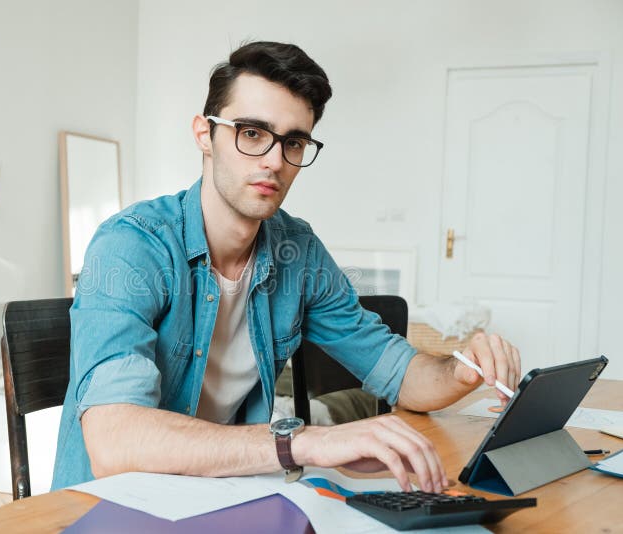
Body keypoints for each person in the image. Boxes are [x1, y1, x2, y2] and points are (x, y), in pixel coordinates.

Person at [51, 41, 521, 493]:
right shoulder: (133, 245)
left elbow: (398, 372)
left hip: (219, 494)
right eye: (252, 133)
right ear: (204, 134)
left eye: (293, 142)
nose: (274, 161)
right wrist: (302, 442)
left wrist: (459, 372)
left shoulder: (298, 251)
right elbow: (114, 440)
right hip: (109, 506)